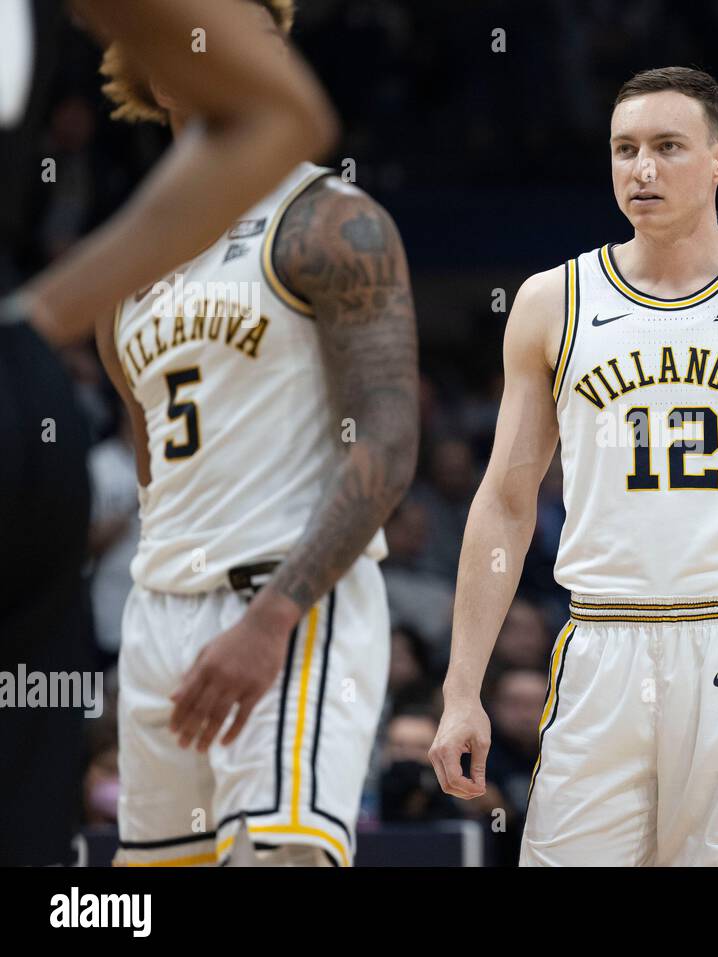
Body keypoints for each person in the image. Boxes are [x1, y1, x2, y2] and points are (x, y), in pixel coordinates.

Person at [429, 66, 718, 867]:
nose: (641, 168)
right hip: (600, 640)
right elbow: (505, 502)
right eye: (625, 149)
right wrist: (460, 687)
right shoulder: (552, 300)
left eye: (667, 146)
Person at [0, 0, 337, 867]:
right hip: (160, 587)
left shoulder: (330, 222)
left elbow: (383, 437)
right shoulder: (132, 289)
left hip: (280, 578)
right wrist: (42, 320)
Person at [91, 0, 419, 866]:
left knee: (282, 860)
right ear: (163, 72)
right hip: (160, 613)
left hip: (287, 594)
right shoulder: (123, 274)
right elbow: (155, 477)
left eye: (268, 41)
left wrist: (274, 614)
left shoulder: (331, 222)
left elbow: (388, 439)